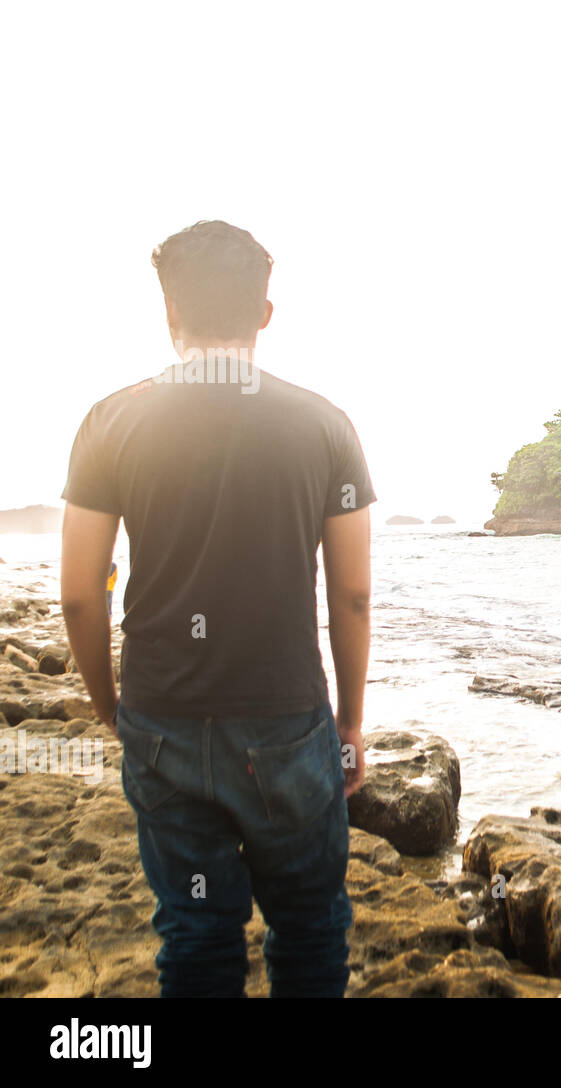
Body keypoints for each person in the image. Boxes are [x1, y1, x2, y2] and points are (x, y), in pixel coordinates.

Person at [59, 219, 375, 997]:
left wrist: (113, 709)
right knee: (307, 928)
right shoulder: (326, 425)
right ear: (264, 313)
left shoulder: (110, 422)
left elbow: (78, 594)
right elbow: (353, 595)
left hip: (163, 719)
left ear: (169, 312)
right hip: (289, 723)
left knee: (196, 936)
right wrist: (351, 725)